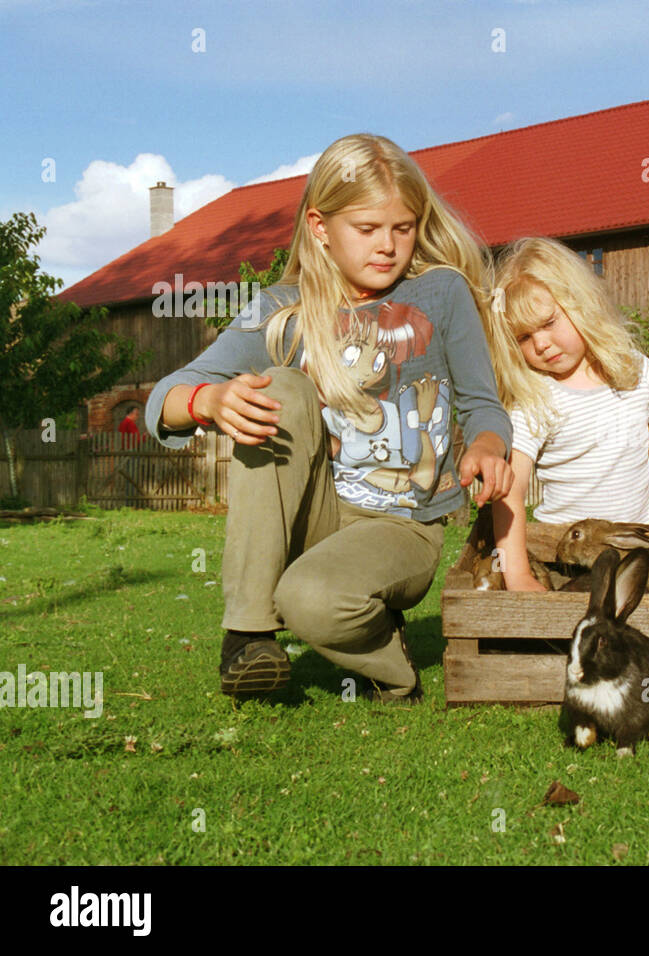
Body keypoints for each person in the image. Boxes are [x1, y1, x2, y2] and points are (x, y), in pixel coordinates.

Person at [144, 133, 513, 702]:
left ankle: (392, 667)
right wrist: (207, 403)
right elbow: (166, 395)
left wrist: (487, 443)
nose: (388, 246)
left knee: (309, 600)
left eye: (403, 227)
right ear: (319, 226)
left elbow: (483, 403)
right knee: (282, 388)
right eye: (367, 229)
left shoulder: (441, 294)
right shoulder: (279, 311)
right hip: (314, 518)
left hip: (400, 526)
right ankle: (246, 637)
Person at [484, 237, 649, 591]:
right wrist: (517, 575)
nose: (541, 344)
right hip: (571, 555)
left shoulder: (633, 369)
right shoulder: (535, 397)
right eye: (524, 337)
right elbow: (511, 487)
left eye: (548, 323)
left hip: (641, 540)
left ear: (581, 304)